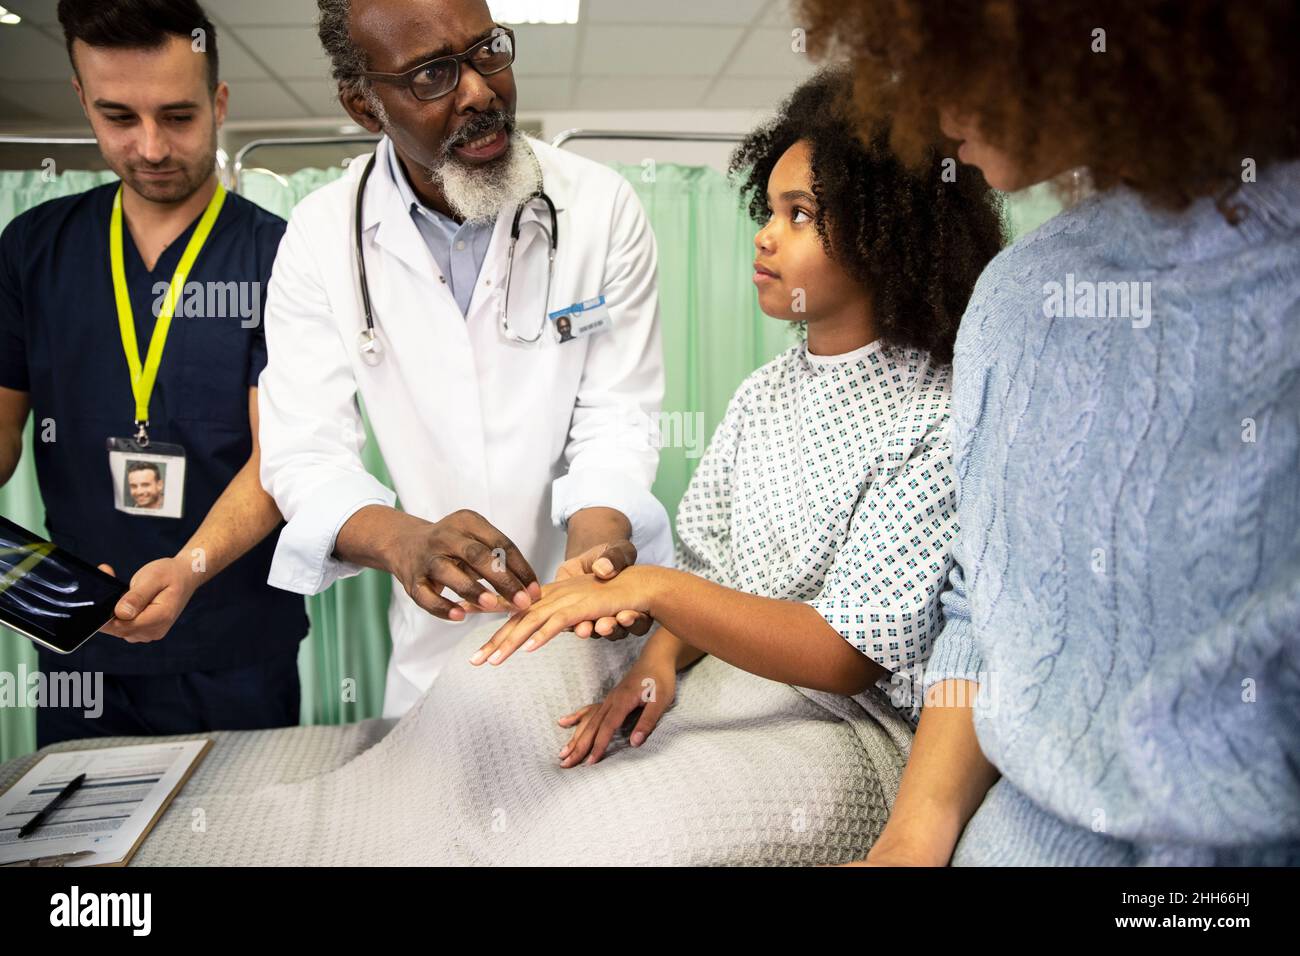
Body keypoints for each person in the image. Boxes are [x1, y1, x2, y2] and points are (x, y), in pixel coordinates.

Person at [792, 0, 1300, 865]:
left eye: (960, 47)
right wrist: (911, 837)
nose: (922, 94)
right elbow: (987, 611)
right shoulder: (1019, 299)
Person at [475, 69, 1005, 778]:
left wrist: (656, 590)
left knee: (638, 813)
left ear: (888, 235)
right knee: (538, 742)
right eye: (770, 210)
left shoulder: (937, 415)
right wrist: (654, 666)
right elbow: (708, 569)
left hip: (861, 729)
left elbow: (845, 657)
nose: (764, 236)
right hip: (740, 690)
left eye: (799, 215)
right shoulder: (762, 394)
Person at [256, 0, 671, 718]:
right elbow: (303, 453)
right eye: (432, 75)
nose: (479, 90)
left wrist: (594, 558)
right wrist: (403, 542)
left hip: (589, 640)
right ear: (364, 105)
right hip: (435, 656)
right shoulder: (321, 236)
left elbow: (617, 416)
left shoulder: (600, 207)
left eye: (488, 52)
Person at [0, 0, 308, 746]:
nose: (151, 147)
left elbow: (282, 460)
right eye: (118, 117)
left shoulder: (280, 257)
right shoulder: (34, 248)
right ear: (82, 100)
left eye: (178, 116)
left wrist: (191, 568)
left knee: (241, 847)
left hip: (235, 642)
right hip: (77, 633)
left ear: (219, 101)